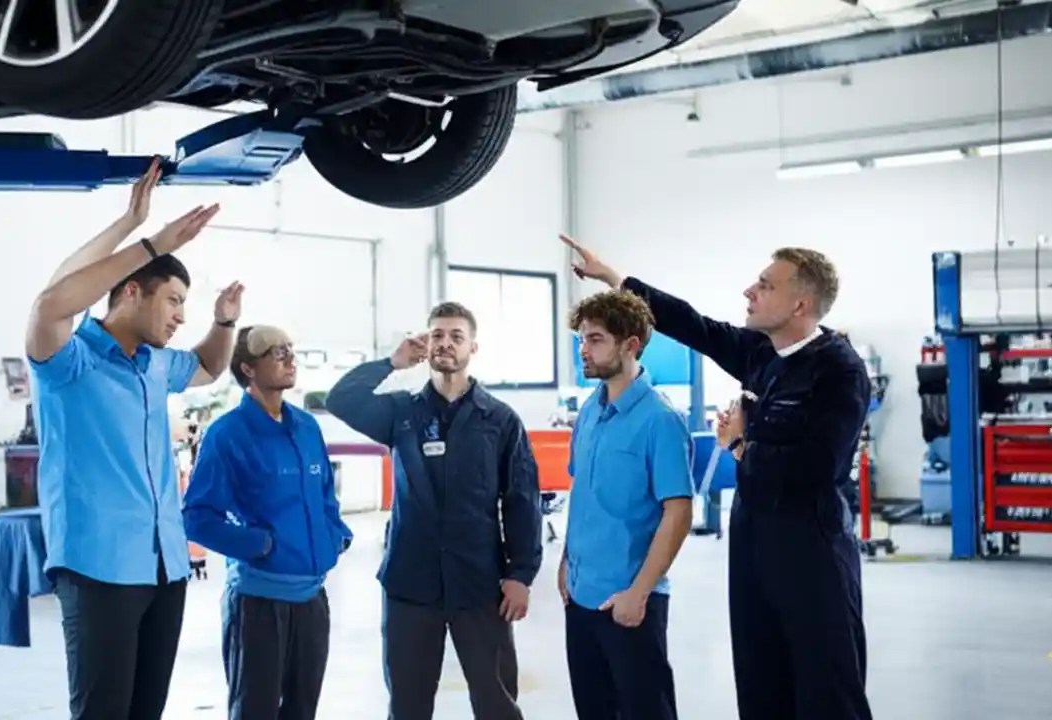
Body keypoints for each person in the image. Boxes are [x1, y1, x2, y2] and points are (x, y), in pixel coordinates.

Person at [560, 234, 874, 720]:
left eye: (765, 285)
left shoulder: (838, 370)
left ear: (800, 304)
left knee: (825, 685)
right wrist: (615, 279)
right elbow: (694, 325)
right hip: (753, 543)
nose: (750, 291)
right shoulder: (761, 353)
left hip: (810, 547)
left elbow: (816, 468)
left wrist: (739, 445)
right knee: (759, 679)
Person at [25, 159, 241, 720]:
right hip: (99, 567)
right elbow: (52, 301)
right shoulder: (67, 362)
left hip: (164, 566)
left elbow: (209, 369)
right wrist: (143, 235)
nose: (178, 317)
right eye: (173, 301)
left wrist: (222, 323)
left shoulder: (155, 365)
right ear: (131, 292)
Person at [326, 302, 543, 720]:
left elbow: (521, 501)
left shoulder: (499, 420)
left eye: (456, 336)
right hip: (411, 583)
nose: (445, 343)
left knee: (496, 700)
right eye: (437, 335)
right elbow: (341, 399)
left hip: (480, 584)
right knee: (408, 703)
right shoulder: (401, 412)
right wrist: (394, 361)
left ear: (473, 348)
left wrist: (520, 574)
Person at [182, 324, 353, 720]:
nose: (289, 358)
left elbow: (326, 493)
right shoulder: (227, 435)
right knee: (255, 711)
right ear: (248, 369)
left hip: (312, 600)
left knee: (302, 710)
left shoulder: (307, 427)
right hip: (259, 604)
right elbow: (197, 517)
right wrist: (258, 545)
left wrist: (336, 536)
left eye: (290, 350)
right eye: (276, 352)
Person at [558, 289, 695, 720]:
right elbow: (583, 494)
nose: (584, 349)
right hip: (580, 595)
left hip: (630, 600)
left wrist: (639, 592)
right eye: (581, 339)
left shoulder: (660, 420)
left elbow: (679, 512)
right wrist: (565, 560)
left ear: (631, 344)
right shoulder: (589, 413)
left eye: (595, 339)